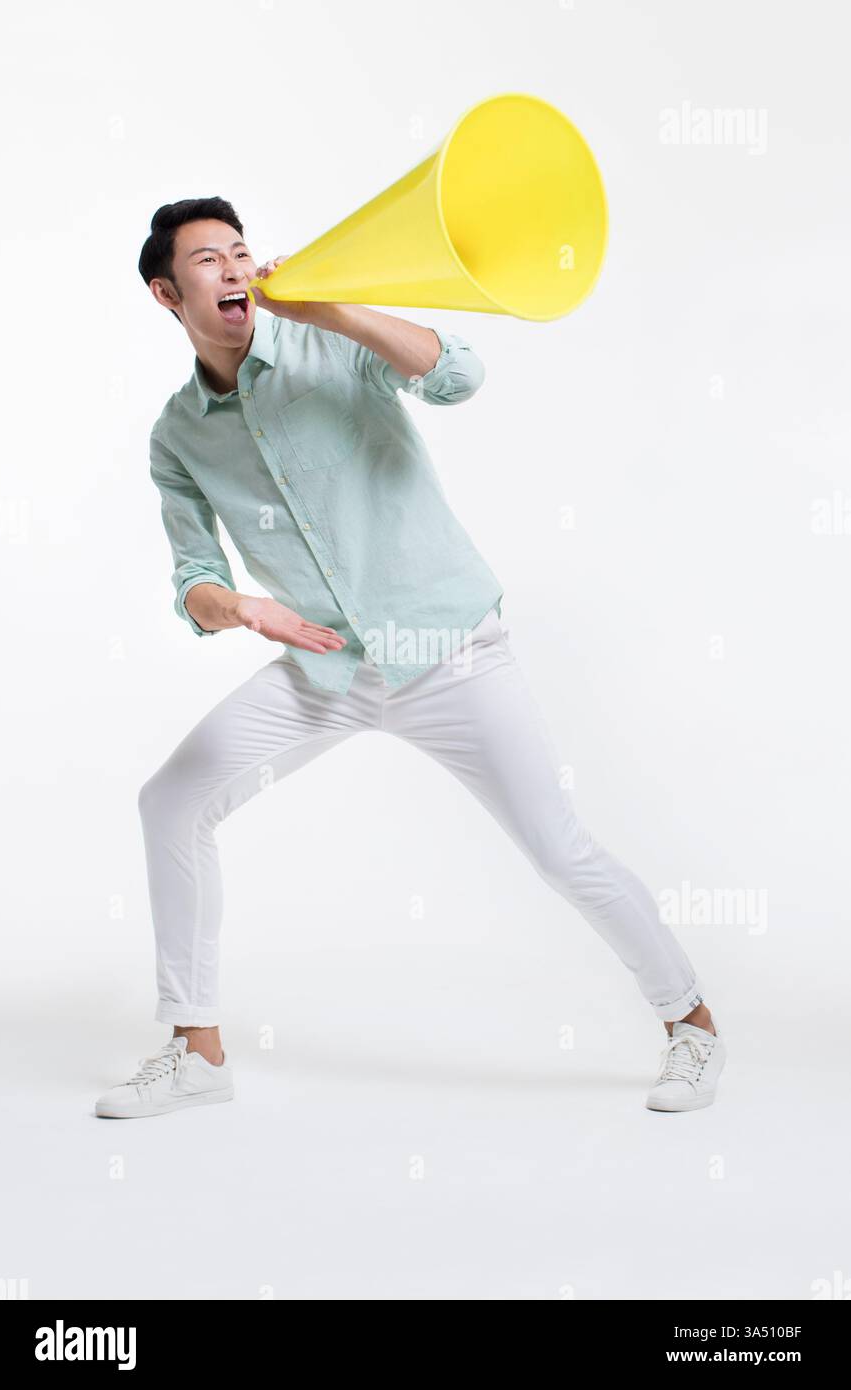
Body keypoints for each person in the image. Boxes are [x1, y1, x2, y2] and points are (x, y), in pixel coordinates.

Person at [94, 197, 726, 1120]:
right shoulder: (179, 435)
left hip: (449, 647)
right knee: (172, 801)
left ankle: (694, 1027)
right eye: (206, 261)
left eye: (239, 251)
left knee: (558, 849)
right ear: (165, 292)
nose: (233, 270)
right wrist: (238, 607)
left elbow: (458, 376)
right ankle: (197, 1050)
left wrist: (339, 312)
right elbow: (193, 575)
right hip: (326, 668)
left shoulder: (326, 342)